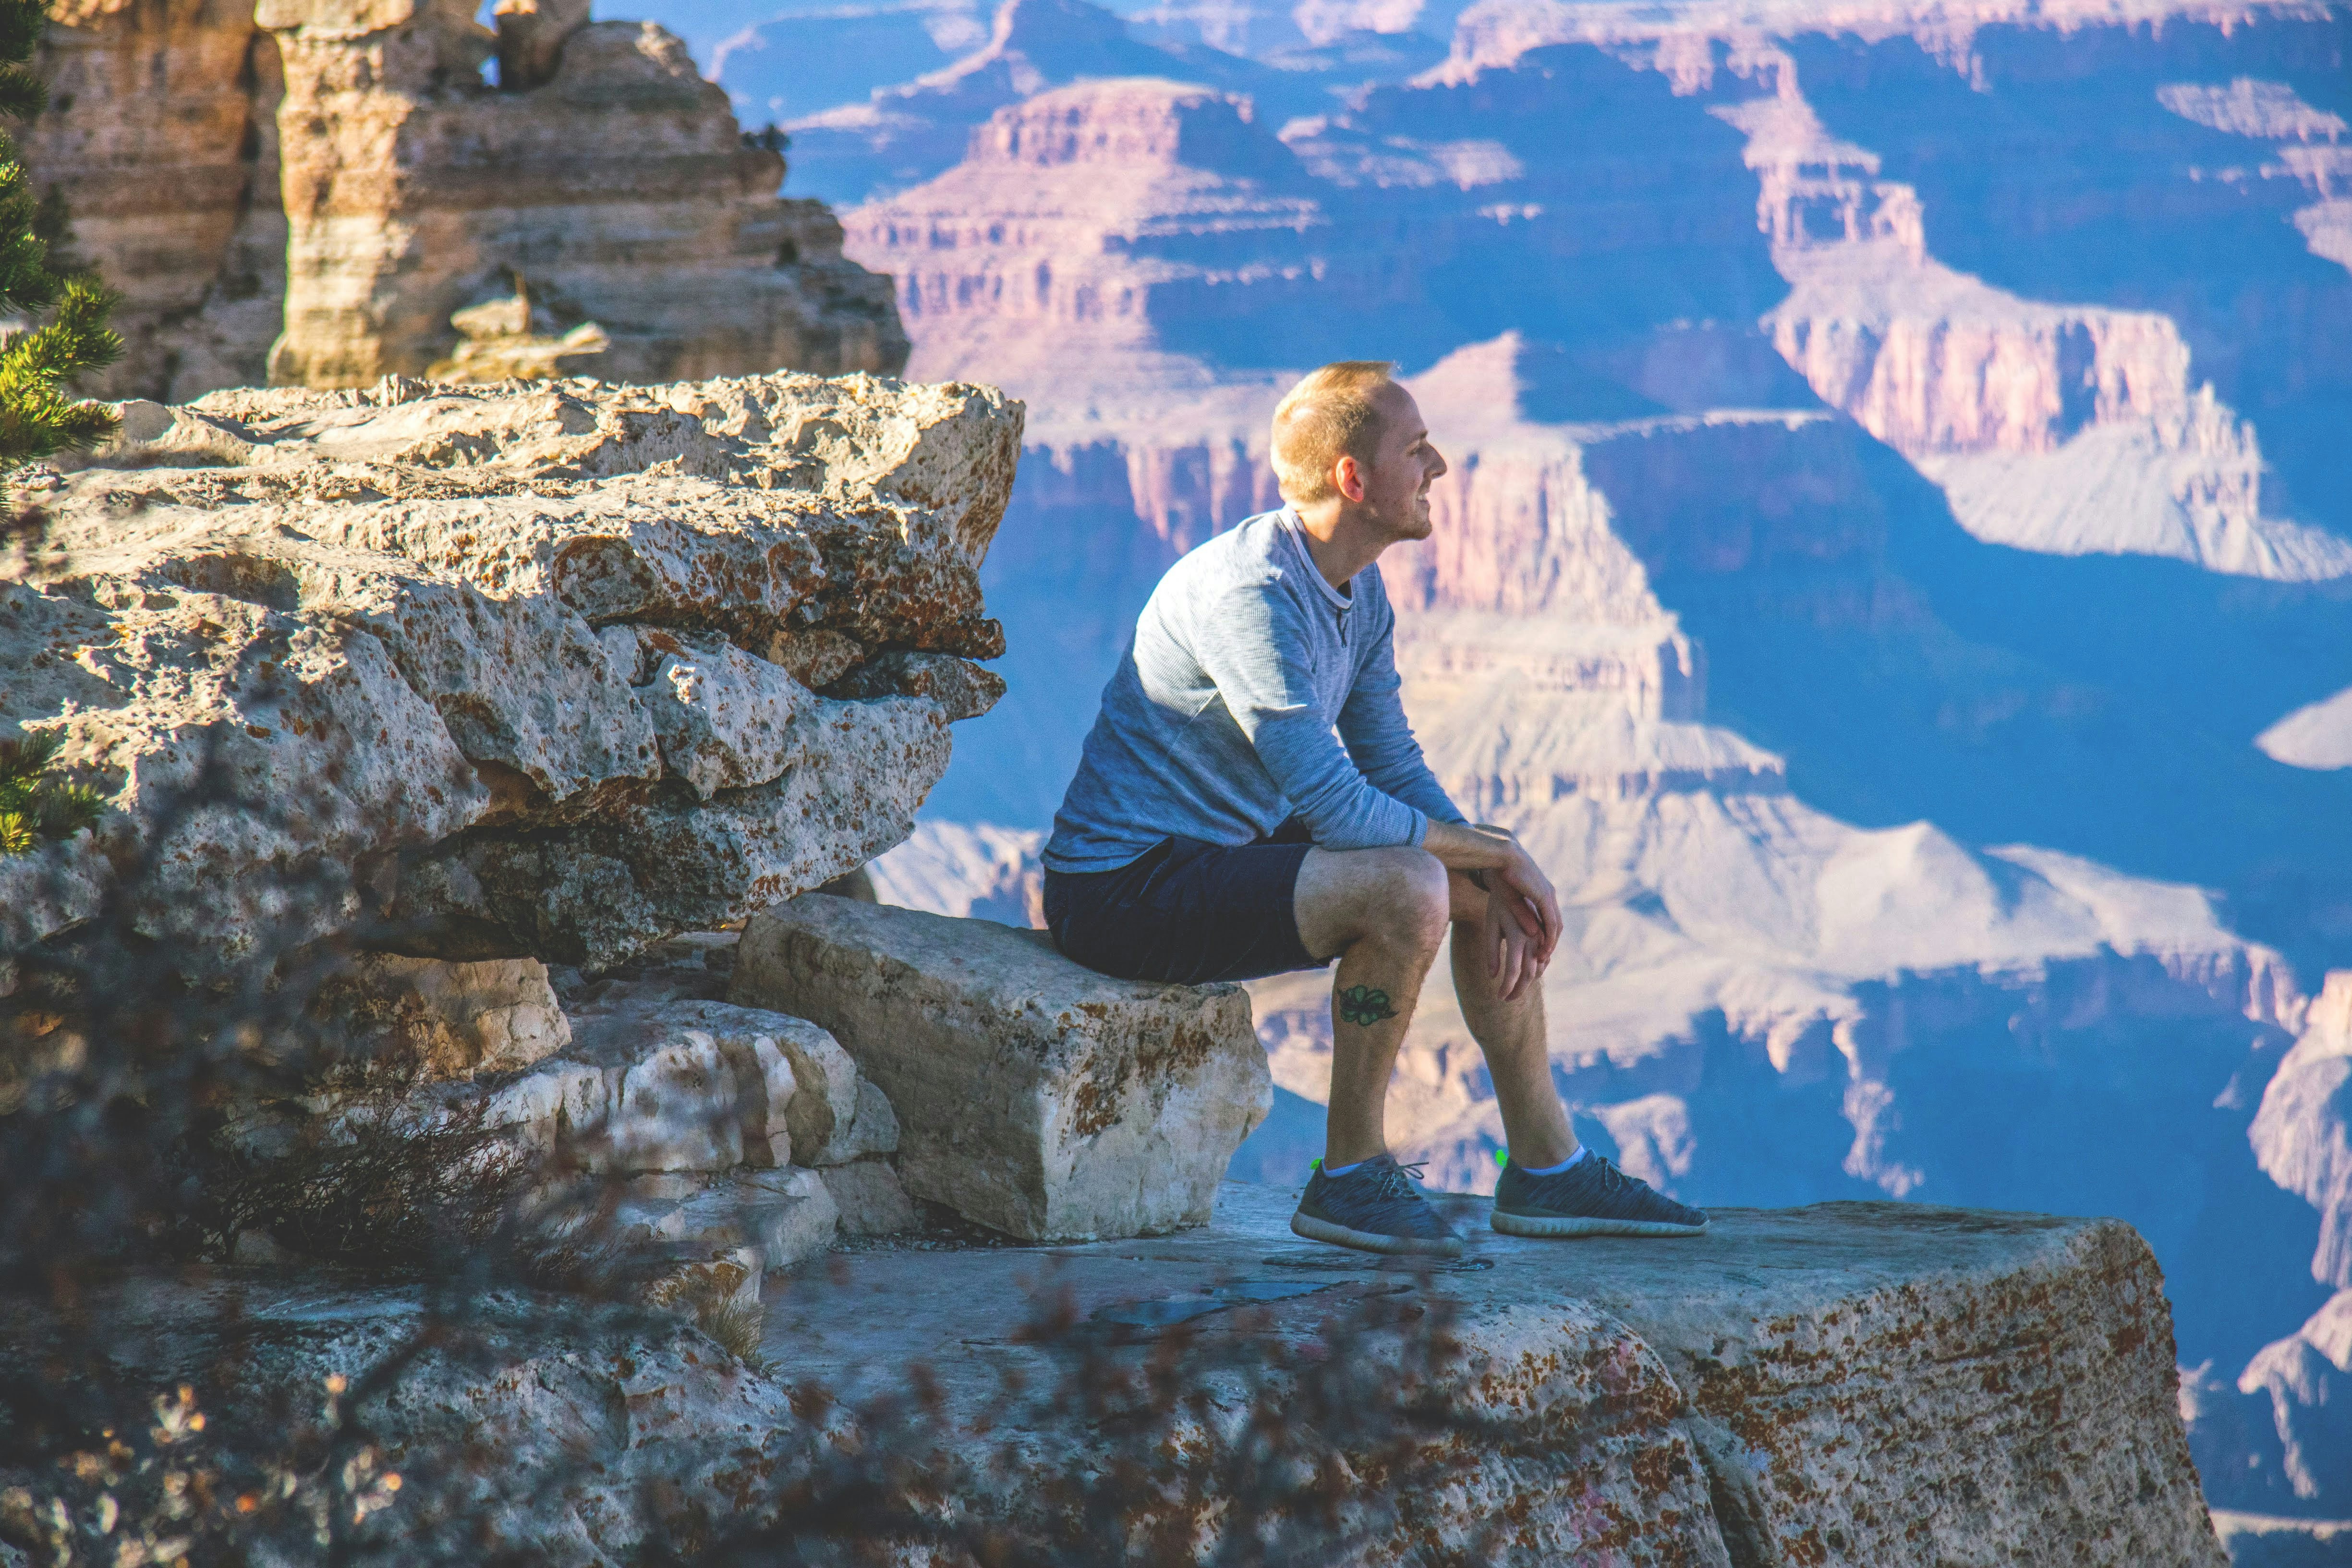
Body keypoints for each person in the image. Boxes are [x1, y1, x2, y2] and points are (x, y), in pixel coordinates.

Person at [1041, 360, 1708, 1257]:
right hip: (1125, 886)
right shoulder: (1253, 595)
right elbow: (1335, 803)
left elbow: (1389, 762)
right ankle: (1350, 1175)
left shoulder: (1357, 590)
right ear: (1353, 480)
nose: (1437, 465)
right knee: (1410, 888)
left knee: (1473, 890)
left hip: (1216, 846)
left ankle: (1545, 1167)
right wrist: (1491, 851)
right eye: (1416, 448)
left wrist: (1490, 862)